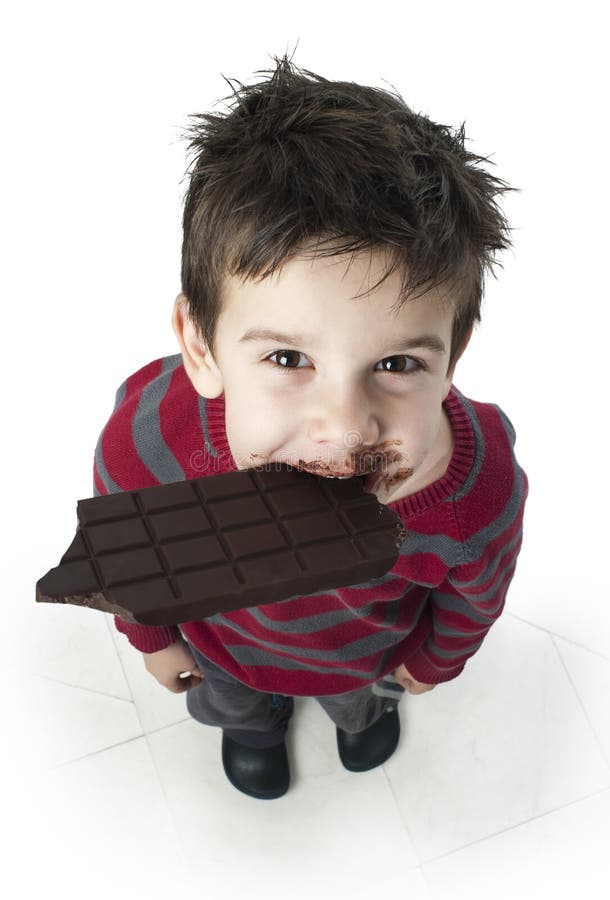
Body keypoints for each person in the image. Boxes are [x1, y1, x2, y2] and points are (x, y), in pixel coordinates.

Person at [93, 54, 528, 799]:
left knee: (359, 706)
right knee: (234, 705)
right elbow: (129, 553)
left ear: (452, 356)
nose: (343, 426)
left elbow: (475, 596)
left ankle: (357, 721)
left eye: (396, 364)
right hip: (224, 651)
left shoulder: (477, 492)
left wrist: (428, 665)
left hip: (363, 662)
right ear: (202, 348)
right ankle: (254, 729)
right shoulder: (151, 444)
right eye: (289, 358)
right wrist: (153, 637)